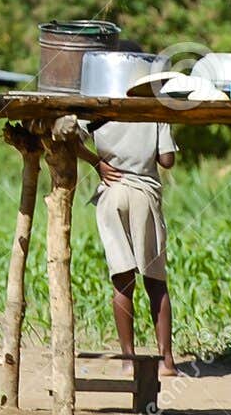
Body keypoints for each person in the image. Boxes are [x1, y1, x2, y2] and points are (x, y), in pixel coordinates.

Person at [76, 117, 179, 376]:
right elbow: (167, 160)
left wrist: (96, 162)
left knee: (122, 279)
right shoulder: (153, 108)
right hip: (144, 193)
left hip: (112, 192)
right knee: (155, 281)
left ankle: (128, 360)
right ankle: (166, 361)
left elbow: (68, 139)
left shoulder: (99, 103)